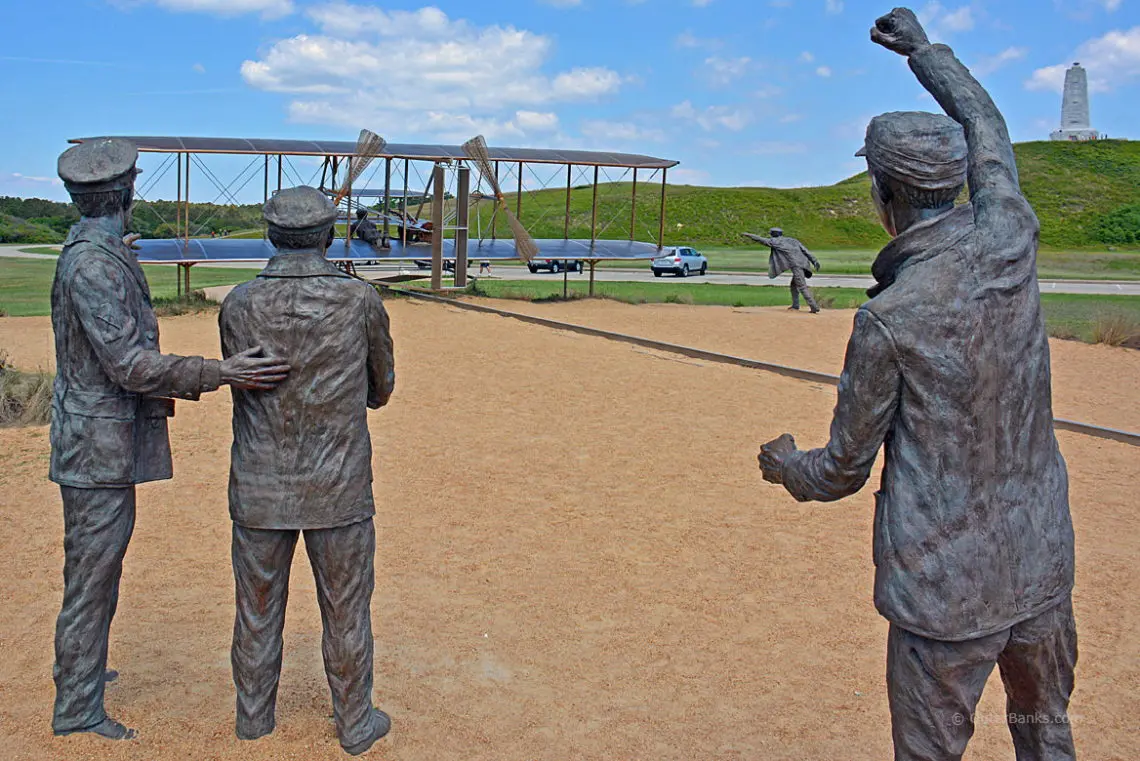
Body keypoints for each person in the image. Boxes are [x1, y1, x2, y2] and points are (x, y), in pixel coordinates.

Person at [757, 9, 1077, 761]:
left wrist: (785, 466)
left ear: (881, 194)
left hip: (943, 597)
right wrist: (925, 54)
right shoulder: (1010, 235)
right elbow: (988, 128)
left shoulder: (890, 319)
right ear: (960, 179)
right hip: (1039, 570)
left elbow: (841, 469)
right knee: (1042, 730)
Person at [50, 138, 290, 741]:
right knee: (93, 573)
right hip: (95, 446)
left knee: (99, 568)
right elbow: (129, 366)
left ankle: (83, 671)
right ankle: (76, 706)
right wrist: (221, 372)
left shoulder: (101, 250)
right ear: (125, 192)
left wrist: (121, 257)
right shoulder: (92, 264)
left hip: (102, 440)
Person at [219, 186, 396, 755]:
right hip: (336, 484)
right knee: (346, 607)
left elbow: (242, 381)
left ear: (271, 235)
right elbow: (381, 386)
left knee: (256, 605)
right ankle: (354, 722)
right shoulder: (358, 299)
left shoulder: (239, 303)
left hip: (260, 480)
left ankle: (254, 718)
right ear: (326, 235)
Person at [741, 227, 821, 312]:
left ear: (773, 234)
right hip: (804, 263)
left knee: (801, 286)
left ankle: (814, 306)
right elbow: (805, 250)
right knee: (794, 285)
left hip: (796, 265)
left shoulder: (775, 241)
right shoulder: (793, 240)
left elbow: (761, 240)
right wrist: (814, 261)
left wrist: (748, 235)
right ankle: (795, 305)